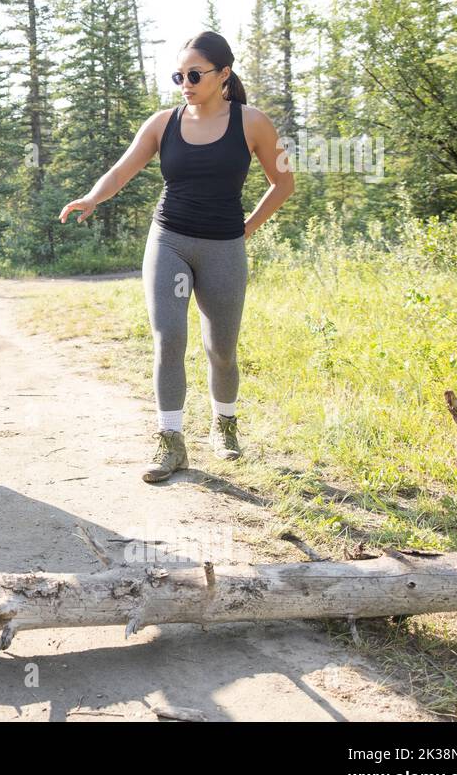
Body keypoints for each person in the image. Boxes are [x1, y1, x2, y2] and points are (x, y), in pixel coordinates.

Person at [59, 31, 294, 483]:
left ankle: (225, 425)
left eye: (194, 74)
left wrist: (247, 229)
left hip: (224, 246)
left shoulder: (253, 123)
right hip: (169, 240)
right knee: (169, 340)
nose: (184, 82)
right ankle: (171, 442)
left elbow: (283, 184)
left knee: (221, 350)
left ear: (223, 74)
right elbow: (122, 169)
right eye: (178, 75)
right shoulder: (163, 123)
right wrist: (92, 198)